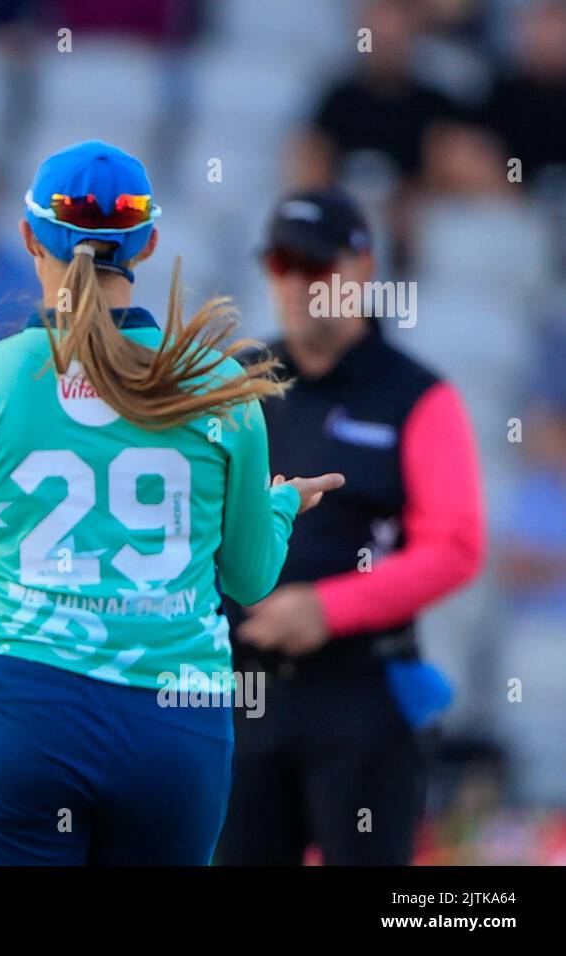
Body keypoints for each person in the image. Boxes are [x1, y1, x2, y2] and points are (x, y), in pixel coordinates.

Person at [0, 141, 343, 865]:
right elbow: (250, 581)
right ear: (149, 242)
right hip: (174, 724)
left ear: (29, 236)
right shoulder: (220, 385)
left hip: (21, 713)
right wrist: (279, 507)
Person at [214, 188, 484, 866]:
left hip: (360, 692)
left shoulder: (417, 394)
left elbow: (454, 546)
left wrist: (328, 608)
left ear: (361, 267)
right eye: (282, 262)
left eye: (316, 264)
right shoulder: (238, 381)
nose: (299, 282)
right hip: (240, 689)